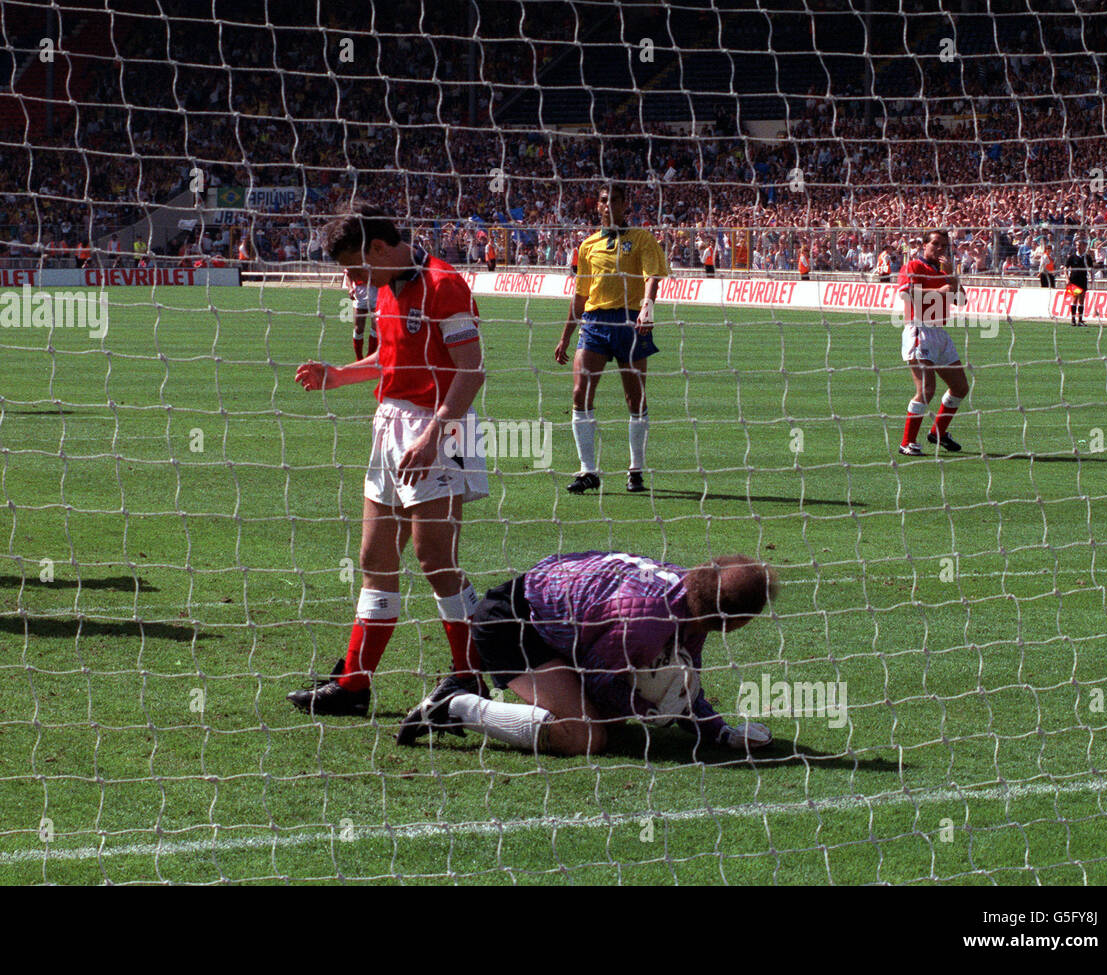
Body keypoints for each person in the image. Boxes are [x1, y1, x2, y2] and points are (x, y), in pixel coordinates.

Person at [289, 204, 488, 715]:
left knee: (435, 561)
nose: (354, 280)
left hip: (440, 427)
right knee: (375, 560)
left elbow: (471, 371)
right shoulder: (382, 287)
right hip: (391, 427)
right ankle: (354, 686)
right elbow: (389, 360)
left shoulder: (446, 285)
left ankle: (471, 678)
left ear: (379, 248)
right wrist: (338, 374)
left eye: (356, 268)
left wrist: (434, 436)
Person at [396, 551, 776, 755]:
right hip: (510, 625)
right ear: (735, 621)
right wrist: (648, 709)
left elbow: (685, 682)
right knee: (587, 736)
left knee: (613, 714)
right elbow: (598, 678)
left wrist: (719, 731)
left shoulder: (689, 595)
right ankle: (456, 705)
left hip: (545, 611)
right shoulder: (648, 623)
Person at [554, 182, 669, 495]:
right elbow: (580, 295)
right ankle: (588, 471)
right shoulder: (588, 245)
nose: (608, 205)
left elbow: (651, 277)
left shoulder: (642, 238)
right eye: (603, 200)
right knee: (580, 393)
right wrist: (566, 335)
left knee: (635, 398)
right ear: (598, 205)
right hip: (594, 323)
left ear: (624, 204)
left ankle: (635, 469)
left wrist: (647, 307)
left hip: (631, 322)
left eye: (614, 200)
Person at [896, 229, 969, 457]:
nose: (939, 249)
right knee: (926, 390)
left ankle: (938, 432)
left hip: (939, 333)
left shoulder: (944, 271)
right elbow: (906, 294)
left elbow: (962, 300)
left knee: (960, 387)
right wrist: (941, 290)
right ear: (924, 245)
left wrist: (952, 277)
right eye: (935, 244)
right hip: (919, 329)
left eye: (943, 246)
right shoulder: (913, 266)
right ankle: (907, 442)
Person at [344, 268, 378, 358]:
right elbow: (348, 274)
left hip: (376, 294)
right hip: (360, 295)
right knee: (358, 328)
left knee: (376, 327)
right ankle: (359, 358)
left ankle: (370, 356)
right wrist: (350, 288)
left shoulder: (377, 256)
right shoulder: (355, 257)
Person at [1065, 236, 1094, 327]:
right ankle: (1073, 319)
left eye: (1080, 245)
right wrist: (1067, 278)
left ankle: (1080, 320)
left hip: (1083, 280)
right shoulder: (1072, 257)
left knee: (1081, 300)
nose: (1078, 247)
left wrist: (1092, 278)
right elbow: (1066, 268)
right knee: (1075, 298)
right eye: (1077, 245)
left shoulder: (1087, 257)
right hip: (1074, 280)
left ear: (1084, 246)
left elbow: (1091, 269)